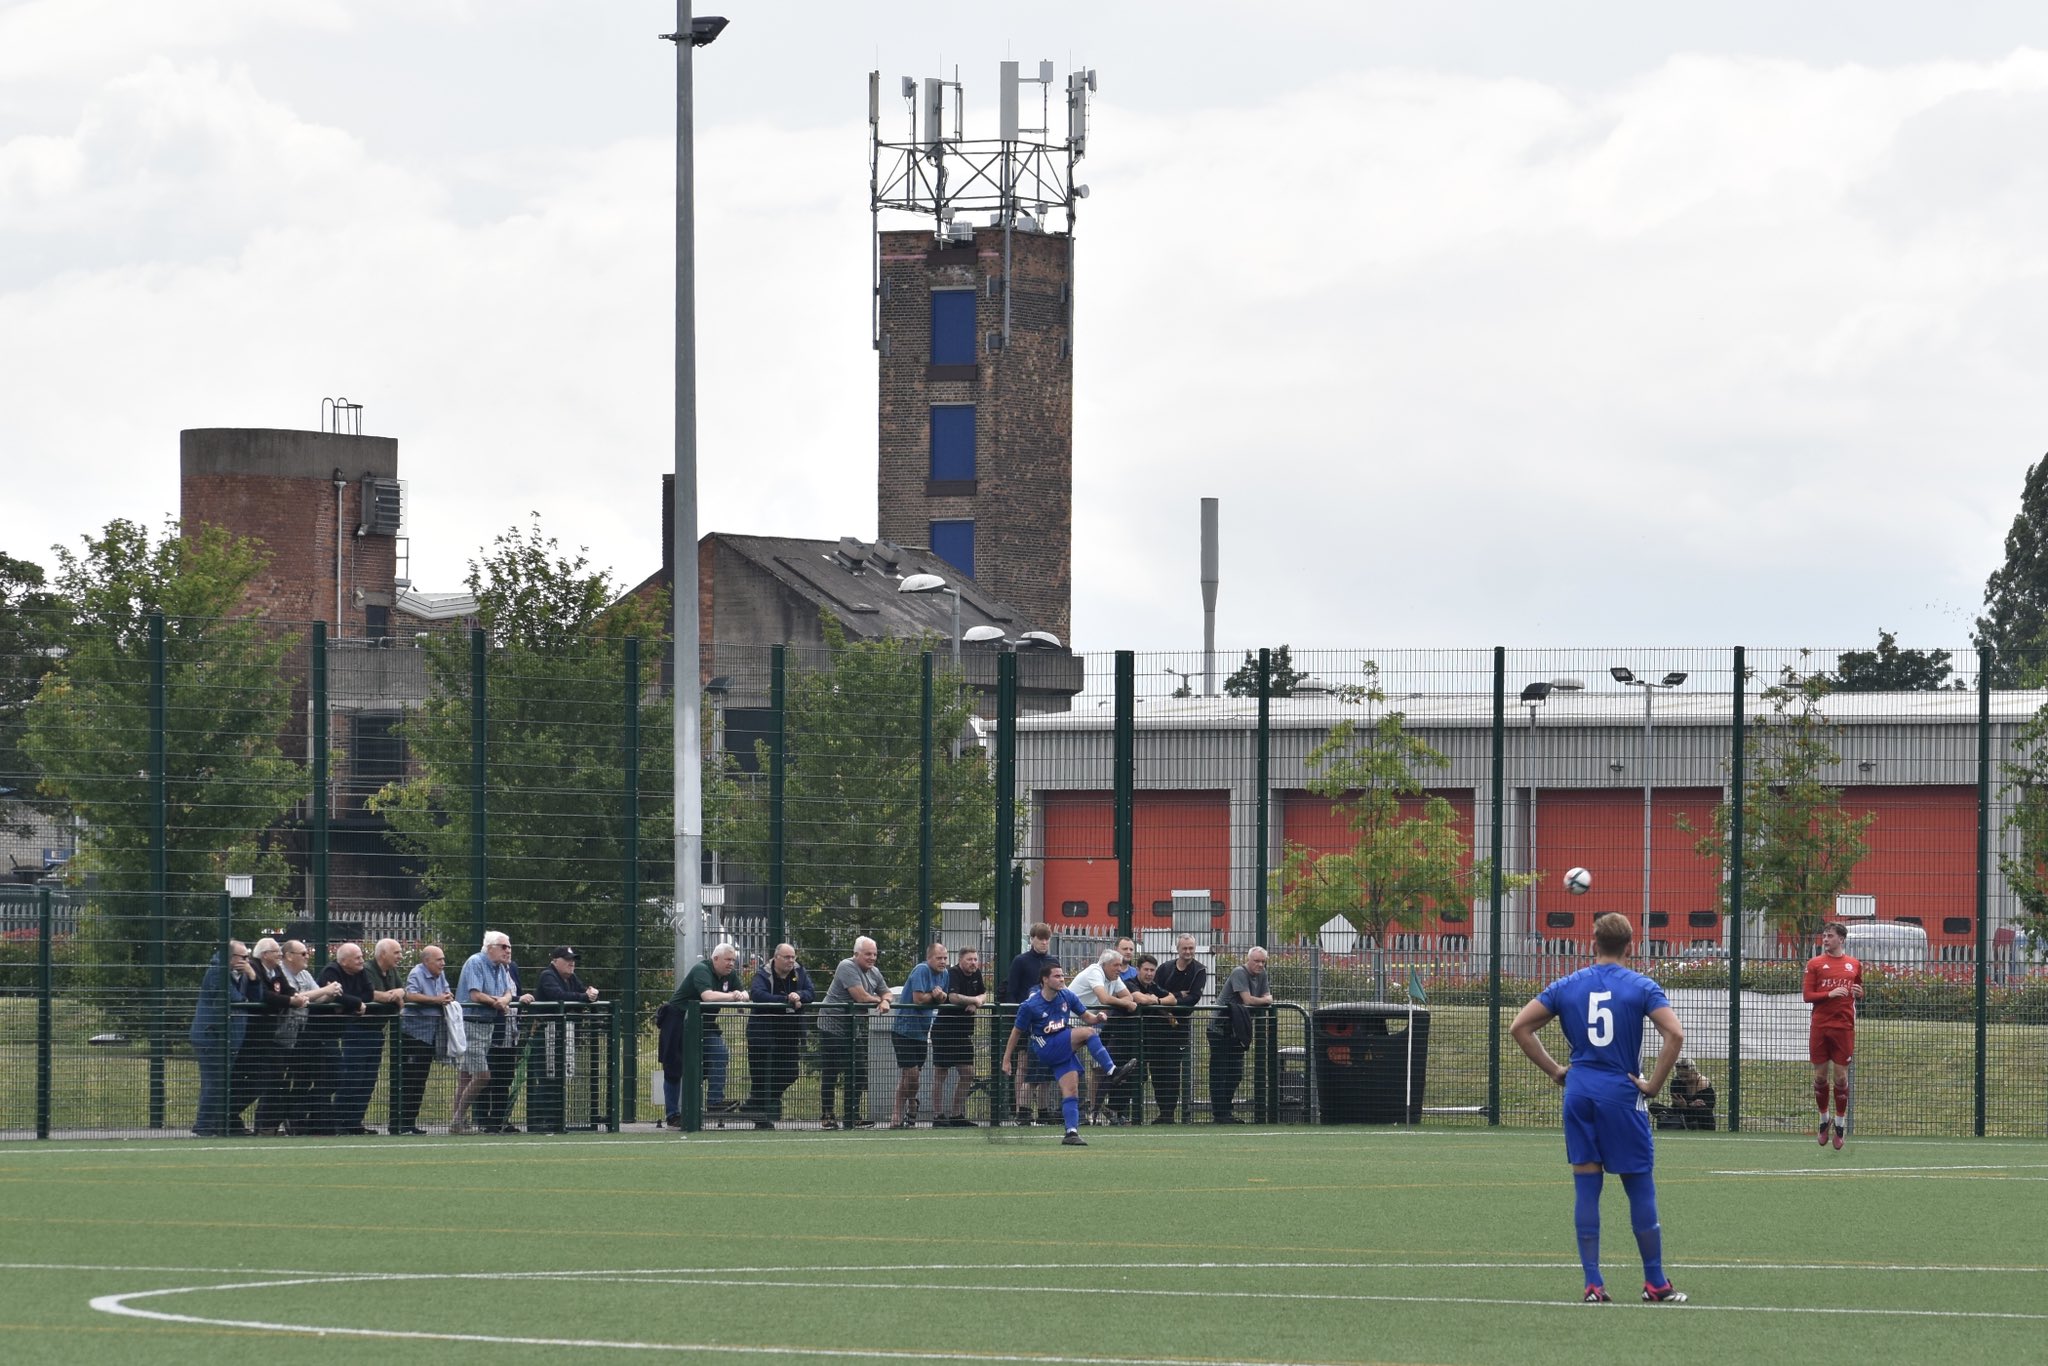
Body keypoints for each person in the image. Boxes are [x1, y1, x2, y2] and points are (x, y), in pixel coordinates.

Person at [1510, 911, 1689, 1306]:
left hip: (1579, 1093)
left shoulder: (1567, 985)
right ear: (1631, 946)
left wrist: (1557, 1070)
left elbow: (1519, 1027)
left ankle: (1593, 1284)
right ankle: (1655, 1283)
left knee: (1586, 1188)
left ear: (1593, 943)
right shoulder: (1642, 986)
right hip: (1621, 1095)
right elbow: (1674, 1033)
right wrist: (1653, 1086)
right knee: (1639, 1184)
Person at [1001, 962, 1130, 1146]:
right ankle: (1112, 1071)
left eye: (1062, 975)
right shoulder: (1030, 1005)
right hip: (1046, 1048)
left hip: (1062, 1048)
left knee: (1071, 1090)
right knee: (1089, 1033)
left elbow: (1087, 1018)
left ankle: (1071, 1132)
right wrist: (1006, 1060)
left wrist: (1098, 1018)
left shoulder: (1067, 995)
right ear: (1045, 980)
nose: (1062, 979)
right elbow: (1016, 1032)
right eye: (1057, 976)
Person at [454, 930, 530, 1134]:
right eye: (504, 946)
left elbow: (507, 993)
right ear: (490, 948)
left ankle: (458, 1122)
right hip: (472, 1023)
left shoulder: (501, 968)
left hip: (487, 1025)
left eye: (509, 947)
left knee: (466, 1075)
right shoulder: (475, 962)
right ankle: (457, 1120)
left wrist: (503, 1001)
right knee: (482, 1075)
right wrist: (497, 1003)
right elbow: (475, 995)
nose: (508, 950)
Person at [668, 943, 748, 1123]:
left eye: (733, 960)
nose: (731, 964)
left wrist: (742, 995)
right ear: (715, 959)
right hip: (678, 1021)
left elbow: (744, 993)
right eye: (728, 959)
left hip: (705, 1024)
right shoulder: (701, 969)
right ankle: (673, 1114)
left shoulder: (730, 976)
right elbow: (708, 996)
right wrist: (734, 996)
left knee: (719, 1054)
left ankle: (714, 1102)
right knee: (674, 1068)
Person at [818, 936, 892, 1129]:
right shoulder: (846, 966)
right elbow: (859, 996)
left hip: (852, 1028)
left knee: (858, 1071)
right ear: (857, 953)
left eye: (875, 954)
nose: (872, 958)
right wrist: (879, 999)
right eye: (868, 954)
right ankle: (827, 1115)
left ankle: (853, 1115)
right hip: (831, 1025)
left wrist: (885, 1000)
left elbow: (888, 992)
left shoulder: (874, 972)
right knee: (831, 1071)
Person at [1802, 921, 1864, 1151]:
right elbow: (1807, 995)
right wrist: (1829, 993)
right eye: (1824, 936)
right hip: (1820, 1026)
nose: (1825, 940)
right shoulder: (1815, 964)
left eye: (1829, 936)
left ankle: (1839, 1124)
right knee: (1820, 1078)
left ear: (1841, 939)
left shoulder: (1853, 964)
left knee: (1840, 1078)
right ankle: (1823, 1118)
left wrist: (1860, 992)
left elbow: (1858, 989)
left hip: (1843, 1027)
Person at [189, 940, 257, 1137]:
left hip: (231, 1037)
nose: (246, 961)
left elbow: (256, 997)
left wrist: (253, 978)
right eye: (243, 958)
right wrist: (246, 1000)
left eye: (248, 958)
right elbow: (233, 999)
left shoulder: (242, 974)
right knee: (214, 1082)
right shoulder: (217, 972)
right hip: (212, 1037)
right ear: (231, 957)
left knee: (221, 1083)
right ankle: (204, 1125)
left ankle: (213, 1123)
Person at [745, 942, 815, 1128]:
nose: (791, 961)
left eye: (793, 957)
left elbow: (811, 992)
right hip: (762, 1035)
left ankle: (756, 1103)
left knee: (790, 1073)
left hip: (788, 1034)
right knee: (761, 1077)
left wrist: (798, 995)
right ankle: (761, 1119)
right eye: (786, 957)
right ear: (776, 958)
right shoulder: (763, 974)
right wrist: (785, 1000)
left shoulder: (800, 972)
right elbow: (758, 994)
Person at [530, 946, 599, 1133]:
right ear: (555, 960)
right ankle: (539, 1122)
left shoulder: (570, 977)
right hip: (546, 1034)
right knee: (546, 1078)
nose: (571, 963)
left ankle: (554, 1120)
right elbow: (559, 996)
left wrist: (590, 992)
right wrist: (585, 997)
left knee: (558, 1079)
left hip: (562, 1034)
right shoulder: (548, 975)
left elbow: (582, 990)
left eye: (573, 959)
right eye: (567, 959)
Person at [278, 939, 343, 1134]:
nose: (308, 957)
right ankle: (272, 1124)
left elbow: (318, 997)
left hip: (301, 1035)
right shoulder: (281, 974)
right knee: (276, 1082)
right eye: (303, 954)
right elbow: (298, 997)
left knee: (313, 1078)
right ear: (289, 956)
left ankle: (297, 1115)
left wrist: (331, 994)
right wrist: (325, 990)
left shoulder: (304, 974)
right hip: (279, 1037)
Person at [316, 942, 379, 1135]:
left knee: (359, 1079)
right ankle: (329, 1122)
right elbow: (336, 995)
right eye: (357, 957)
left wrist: (349, 1002)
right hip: (318, 1032)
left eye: (361, 956)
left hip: (337, 1031)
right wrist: (355, 1002)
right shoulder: (331, 971)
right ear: (343, 961)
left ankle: (351, 1121)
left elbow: (368, 993)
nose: (362, 960)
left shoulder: (360, 971)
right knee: (338, 1078)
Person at [1001, 922, 1058, 1124]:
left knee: (1045, 1066)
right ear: (1032, 939)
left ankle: (1043, 1110)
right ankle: (1021, 1110)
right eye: (1040, 938)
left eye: (1046, 939)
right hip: (1027, 1021)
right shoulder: (1021, 961)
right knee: (1024, 1065)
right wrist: (1021, 1016)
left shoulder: (1052, 961)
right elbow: (1012, 990)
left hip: (1048, 1023)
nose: (1043, 942)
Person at [1207, 946, 1272, 1123]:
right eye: (1256, 961)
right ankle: (1220, 1114)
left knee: (1235, 1073)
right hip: (1220, 1028)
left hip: (1237, 1030)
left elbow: (1266, 995)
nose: (1260, 965)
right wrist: (1264, 1000)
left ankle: (1226, 1112)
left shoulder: (1262, 974)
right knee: (1220, 1072)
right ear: (1248, 960)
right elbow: (1249, 1000)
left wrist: (1264, 999)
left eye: (1262, 961)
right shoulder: (1239, 972)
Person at [1068, 948, 1133, 1124]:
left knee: (1097, 1069)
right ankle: (1076, 1114)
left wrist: (1126, 1002)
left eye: (1120, 965)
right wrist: (1125, 1004)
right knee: (1074, 1069)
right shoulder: (1095, 971)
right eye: (1116, 965)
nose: (1120, 969)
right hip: (1070, 1024)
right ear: (1104, 965)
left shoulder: (1114, 977)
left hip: (1090, 1023)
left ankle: (1093, 1112)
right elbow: (1105, 998)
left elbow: (1128, 996)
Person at [890, 942, 951, 1128]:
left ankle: (909, 1106)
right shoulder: (921, 970)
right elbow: (918, 999)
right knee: (911, 1073)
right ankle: (898, 1114)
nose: (942, 962)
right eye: (939, 958)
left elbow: (943, 998)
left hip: (923, 1032)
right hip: (904, 1030)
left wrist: (939, 997)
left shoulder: (945, 975)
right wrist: (935, 996)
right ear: (929, 958)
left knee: (911, 1077)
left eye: (945, 958)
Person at [396, 944, 454, 1135]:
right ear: (426, 960)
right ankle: (401, 1123)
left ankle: (410, 1122)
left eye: (443, 959)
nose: (443, 963)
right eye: (439, 960)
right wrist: (436, 1000)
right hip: (415, 1034)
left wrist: (447, 997)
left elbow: (444, 993)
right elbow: (410, 995)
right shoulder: (416, 973)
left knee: (420, 1080)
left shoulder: (440, 975)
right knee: (410, 1079)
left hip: (431, 1035)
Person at [1150, 935, 1208, 1124]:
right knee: (1157, 1070)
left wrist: (1167, 1002)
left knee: (1173, 1070)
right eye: (1185, 948)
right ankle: (1162, 1111)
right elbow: (1153, 992)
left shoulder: (1199, 970)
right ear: (1178, 949)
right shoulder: (1165, 968)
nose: (1188, 952)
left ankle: (1169, 1112)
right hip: (1157, 1027)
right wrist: (1175, 997)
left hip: (1179, 1029)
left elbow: (1192, 1000)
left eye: (1191, 948)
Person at [931, 945, 989, 1126]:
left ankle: (957, 1115)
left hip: (963, 1033)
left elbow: (984, 993)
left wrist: (977, 1001)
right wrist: (973, 1000)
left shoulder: (977, 974)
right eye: (969, 960)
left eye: (975, 959)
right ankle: (938, 1116)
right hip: (945, 1031)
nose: (973, 963)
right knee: (941, 1073)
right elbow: (953, 997)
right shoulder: (953, 973)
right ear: (960, 960)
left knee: (967, 1073)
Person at [356, 938, 408, 1130]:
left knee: (369, 1080)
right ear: (383, 954)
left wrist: (400, 992)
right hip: (359, 1030)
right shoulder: (367, 970)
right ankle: (343, 1121)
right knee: (355, 1077)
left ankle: (356, 1122)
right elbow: (367, 993)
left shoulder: (392, 971)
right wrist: (388, 996)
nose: (400, 957)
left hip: (377, 1031)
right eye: (396, 953)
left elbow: (403, 991)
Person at [1648, 1057, 1716, 1132]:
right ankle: (1678, 1124)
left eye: (1686, 1076)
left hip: (1697, 1115)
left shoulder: (1703, 1083)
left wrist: (1687, 1105)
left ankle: (1691, 1126)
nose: (1683, 1079)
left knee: (1702, 1110)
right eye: (1681, 1076)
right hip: (1680, 1113)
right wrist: (1687, 1105)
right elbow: (1676, 1104)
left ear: (1694, 1072)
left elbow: (1709, 1106)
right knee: (1654, 1106)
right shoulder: (1676, 1082)